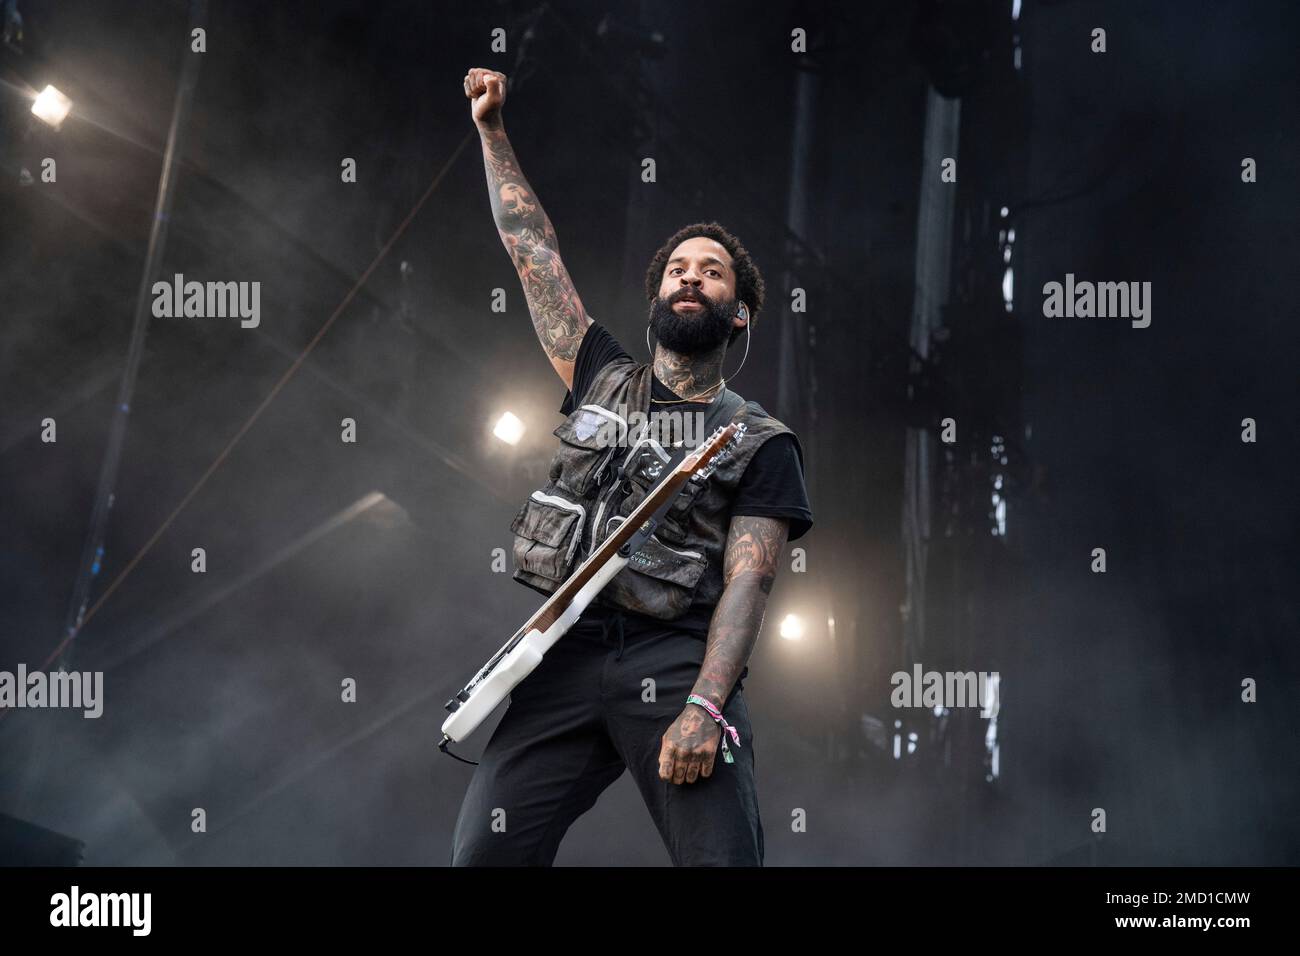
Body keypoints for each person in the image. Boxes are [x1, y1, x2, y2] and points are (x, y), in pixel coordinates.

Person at [450, 67, 813, 866]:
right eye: (679, 268)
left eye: (711, 270)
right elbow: (530, 247)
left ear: (737, 311)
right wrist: (493, 132)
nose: (691, 276)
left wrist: (706, 707)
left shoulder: (760, 440)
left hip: (676, 657)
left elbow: (749, 584)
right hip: (565, 647)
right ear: (656, 297)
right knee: (484, 854)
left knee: (723, 860)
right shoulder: (600, 372)